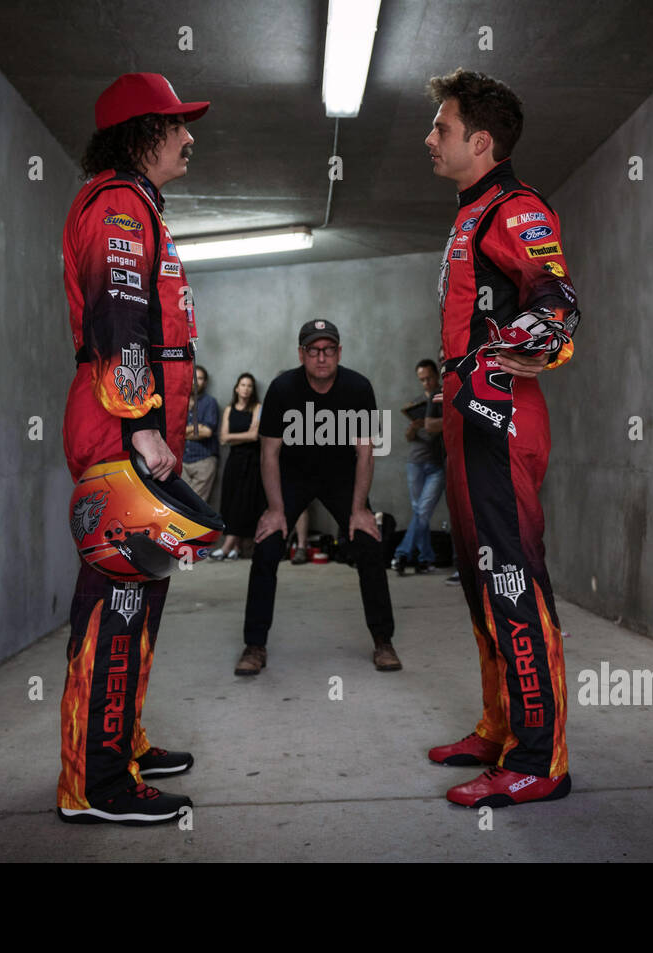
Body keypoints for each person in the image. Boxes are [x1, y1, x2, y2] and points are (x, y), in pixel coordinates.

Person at [423, 68, 582, 809]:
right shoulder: (469, 211)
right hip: (465, 414)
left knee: (515, 581)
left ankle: (538, 758)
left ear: (480, 142)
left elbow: (555, 295)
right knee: (481, 578)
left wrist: (538, 334)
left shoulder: (516, 208)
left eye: (442, 128)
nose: (431, 139)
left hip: (503, 414)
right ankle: (499, 724)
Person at [57, 72, 209, 825]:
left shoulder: (141, 206)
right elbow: (118, 314)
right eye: (177, 125)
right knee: (115, 604)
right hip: (123, 429)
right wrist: (142, 425)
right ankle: (97, 781)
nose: (189, 138)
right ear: (142, 132)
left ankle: (122, 741)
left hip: (138, 429)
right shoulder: (118, 204)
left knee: (139, 599)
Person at [235, 320, 399, 675]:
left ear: (339, 352)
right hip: (294, 476)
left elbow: (365, 452)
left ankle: (383, 641)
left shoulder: (357, 388)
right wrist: (276, 510)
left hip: (341, 476)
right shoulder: (282, 389)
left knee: (370, 541)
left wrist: (358, 510)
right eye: (314, 350)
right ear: (301, 354)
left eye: (328, 350)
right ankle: (254, 644)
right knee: (266, 544)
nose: (321, 357)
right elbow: (269, 454)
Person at [392, 359, 445, 575]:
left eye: (429, 378)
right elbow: (409, 437)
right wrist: (413, 428)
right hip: (415, 462)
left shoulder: (443, 399)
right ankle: (425, 558)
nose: (426, 383)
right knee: (418, 511)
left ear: (437, 376)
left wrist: (428, 425)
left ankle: (402, 554)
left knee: (422, 511)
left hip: (437, 464)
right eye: (422, 380)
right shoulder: (416, 403)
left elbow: (437, 433)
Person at [211, 373, 265, 560]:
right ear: (236, 388)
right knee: (230, 501)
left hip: (252, 462)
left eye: (249, 385)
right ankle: (235, 546)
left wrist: (235, 437)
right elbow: (223, 438)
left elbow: (254, 436)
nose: (246, 388)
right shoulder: (228, 409)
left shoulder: (257, 408)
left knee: (244, 503)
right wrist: (243, 435)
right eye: (243, 384)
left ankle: (227, 547)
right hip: (234, 461)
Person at [183, 364, 220, 501]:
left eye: (199, 378)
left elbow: (207, 432)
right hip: (182, 461)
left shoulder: (210, 402)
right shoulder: (180, 402)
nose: (195, 381)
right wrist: (197, 426)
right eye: (193, 378)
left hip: (203, 460)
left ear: (204, 382)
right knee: (180, 503)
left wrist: (184, 431)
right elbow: (173, 432)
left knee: (197, 505)